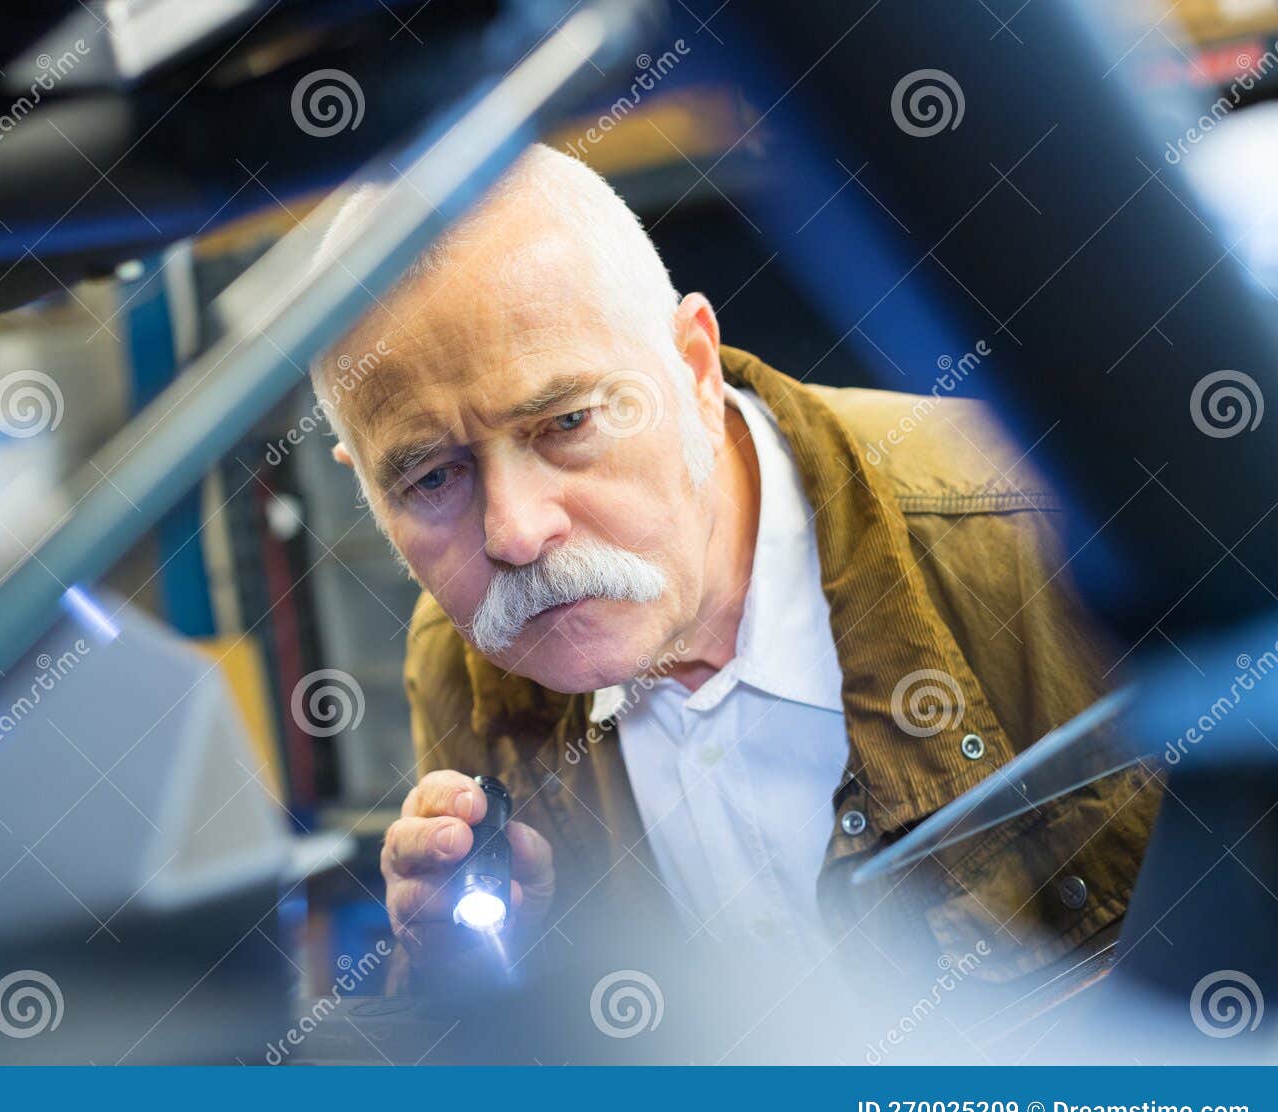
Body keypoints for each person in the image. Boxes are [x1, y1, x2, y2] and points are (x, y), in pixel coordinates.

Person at [307, 144, 1159, 1002]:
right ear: (367, 488)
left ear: (695, 368)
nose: (517, 535)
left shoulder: (1055, 532)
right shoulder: (460, 663)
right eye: (431, 479)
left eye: (565, 422)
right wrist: (465, 976)